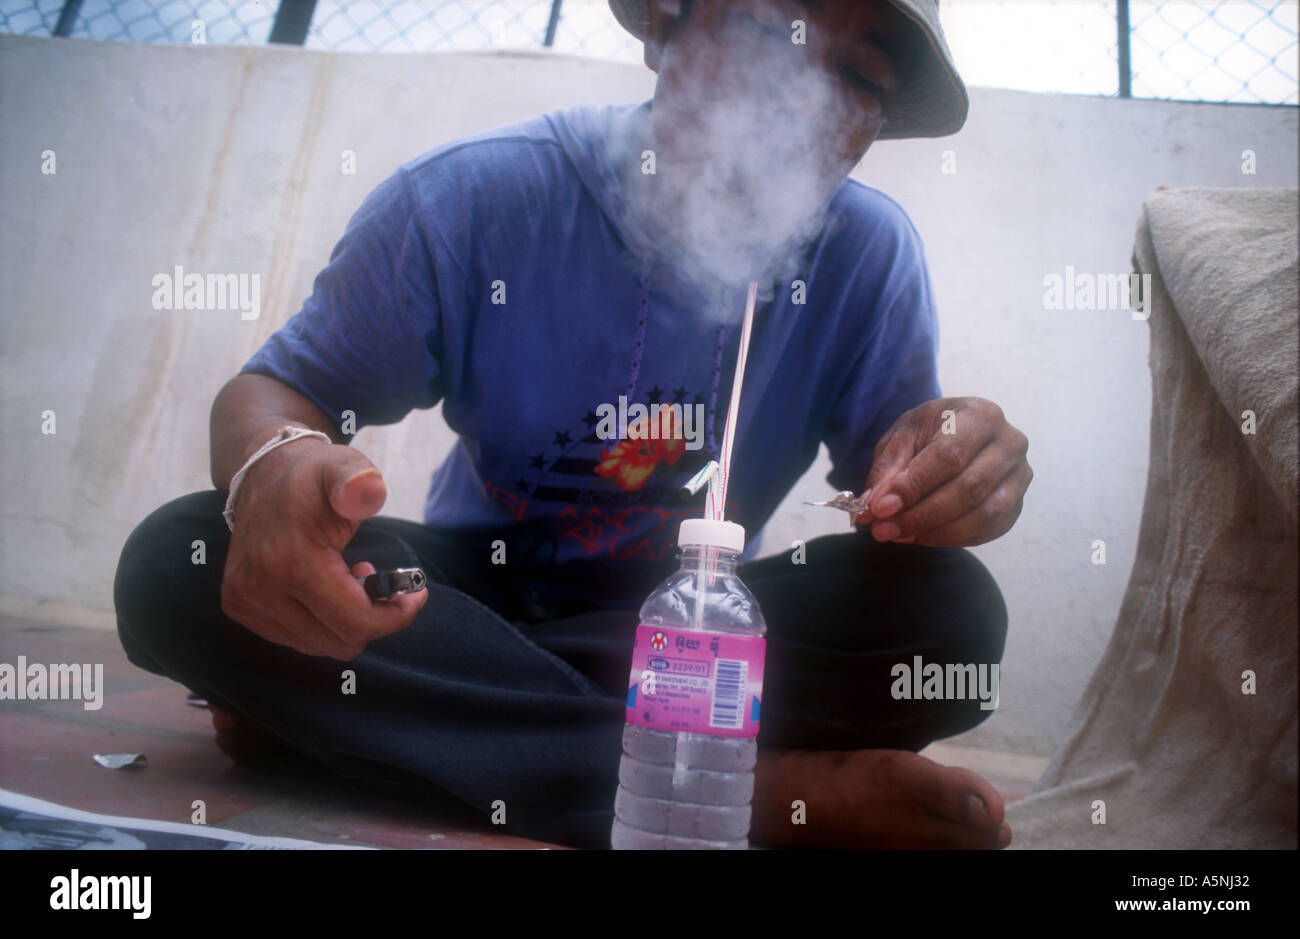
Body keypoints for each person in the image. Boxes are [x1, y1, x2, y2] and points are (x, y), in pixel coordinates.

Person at [114, 0, 1032, 850]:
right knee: (177, 558)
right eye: (768, 38)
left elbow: (899, 481)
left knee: (951, 617)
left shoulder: (868, 254)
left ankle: (364, 719)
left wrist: (952, 468)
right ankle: (743, 788)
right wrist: (276, 466)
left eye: (861, 81)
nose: (802, 107)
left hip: (686, 616)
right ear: (667, 20)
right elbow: (276, 392)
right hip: (470, 596)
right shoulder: (473, 197)